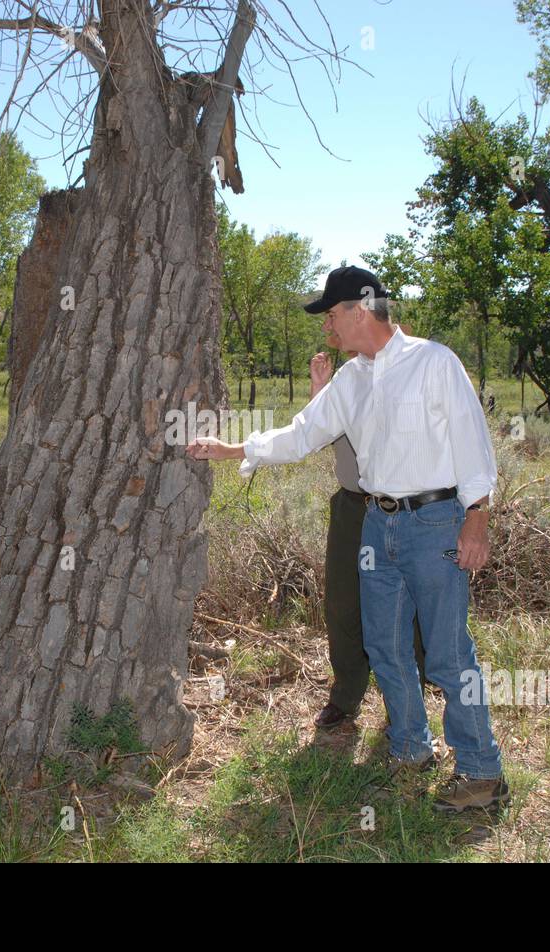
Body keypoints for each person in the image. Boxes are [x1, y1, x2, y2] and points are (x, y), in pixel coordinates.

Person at [188, 265, 509, 814]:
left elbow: (471, 440)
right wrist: (235, 450)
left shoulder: (433, 362)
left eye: (331, 315)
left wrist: (476, 517)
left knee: (449, 654)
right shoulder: (352, 379)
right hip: (375, 523)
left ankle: (481, 773)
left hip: (435, 522)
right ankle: (410, 749)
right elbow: (304, 432)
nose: (327, 327)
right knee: (384, 646)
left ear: (361, 310)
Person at [309, 326, 429, 732]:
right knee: (343, 604)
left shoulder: (414, 385)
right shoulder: (347, 383)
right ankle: (346, 695)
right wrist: (320, 388)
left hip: (398, 510)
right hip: (351, 509)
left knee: (406, 607)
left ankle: (409, 702)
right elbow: (315, 432)